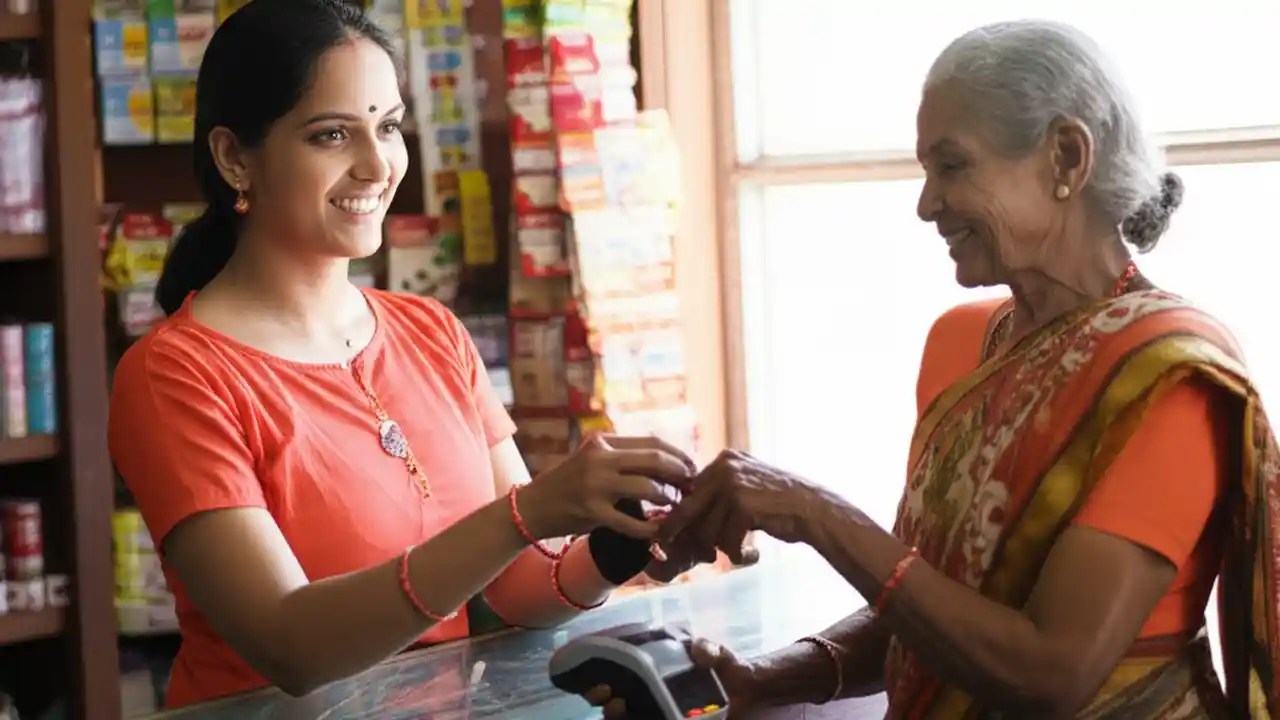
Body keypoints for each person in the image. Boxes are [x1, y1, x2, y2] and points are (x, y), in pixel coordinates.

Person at [588, 19, 1280, 719]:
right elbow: (930, 613)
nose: (926, 205)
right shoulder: (964, 344)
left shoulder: (1164, 376)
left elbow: (1050, 672)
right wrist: (771, 679)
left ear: (1066, 158)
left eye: (952, 166)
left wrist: (818, 514)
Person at [107, 0, 703, 709]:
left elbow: (515, 587)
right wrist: (528, 513)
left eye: (388, 128)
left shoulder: (432, 332)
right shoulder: (175, 375)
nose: (376, 165)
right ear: (236, 157)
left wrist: (623, 543)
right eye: (331, 135)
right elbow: (288, 643)